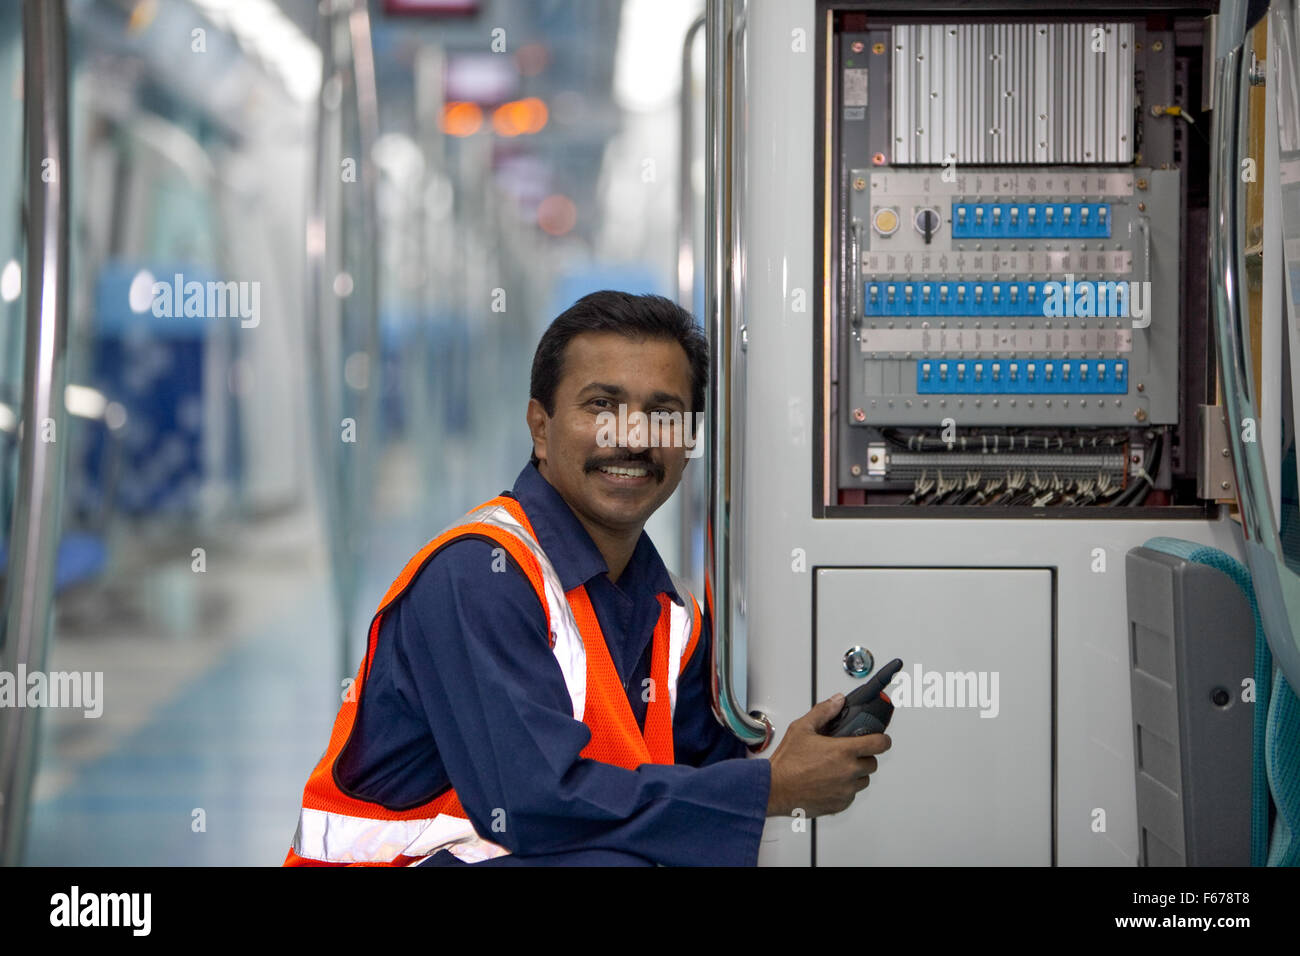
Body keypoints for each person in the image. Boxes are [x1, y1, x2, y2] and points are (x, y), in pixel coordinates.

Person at [282, 291, 890, 866]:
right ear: (540, 428)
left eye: (663, 414)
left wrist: (804, 754)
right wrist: (769, 789)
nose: (631, 438)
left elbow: (699, 776)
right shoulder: (480, 575)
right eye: (601, 405)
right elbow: (532, 803)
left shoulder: (670, 611)